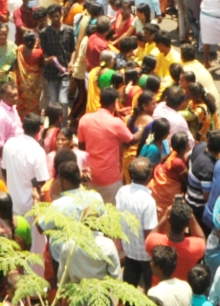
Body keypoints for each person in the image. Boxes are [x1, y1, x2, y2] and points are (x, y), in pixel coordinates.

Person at [79, 85, 141, 203]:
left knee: (92, 213)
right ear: (115, 102)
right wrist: (147, 128)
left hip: (90, 175)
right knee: (111, 214)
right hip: (110, 178)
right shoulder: (116, 123)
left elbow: (81, 146)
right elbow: (131, 140)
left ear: (100, 100)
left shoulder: (85, 119)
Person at [118, 157, 162, 287]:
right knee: (149, 291)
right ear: (150, 175)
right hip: (146, 255)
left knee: (128, 291)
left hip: (129, 249)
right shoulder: (148, 201)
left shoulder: (122, 191)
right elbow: (149, 235)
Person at [146, 201, 209, 281]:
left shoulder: (154, 242)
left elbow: (151, 236)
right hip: (182, 290)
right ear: (187, 224)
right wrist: (192, 217)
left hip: (158, 287)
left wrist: (165, 216)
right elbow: (201, 238)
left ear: (169, 219)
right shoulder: (195, 247)